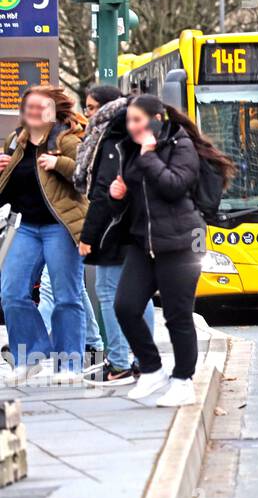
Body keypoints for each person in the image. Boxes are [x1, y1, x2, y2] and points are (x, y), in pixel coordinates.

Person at [111, 95, 234, 407]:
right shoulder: (130, 149)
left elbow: (174, 186)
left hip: (183, 242)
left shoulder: (182, 146)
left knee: (178, 315)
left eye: (138, 120)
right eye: (129, 121)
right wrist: (118, 193)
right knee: (125, 306)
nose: (132, 127)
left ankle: (183, 381)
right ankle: (151, 368)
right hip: (144, 243)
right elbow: (135, 201)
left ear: (157, 118)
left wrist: (149, 156)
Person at [0, 85, 88, 385]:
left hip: (60, 228)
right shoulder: (16, 141)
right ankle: (29, 357)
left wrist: (57, 163)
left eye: (42, 107)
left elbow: (85, 177)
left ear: (54, 111)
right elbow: (9, 190)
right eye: (30, 107)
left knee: (66, 297)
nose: (34, 112)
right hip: (27, 227)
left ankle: (70, 364)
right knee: (11, 292)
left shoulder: (66, 139)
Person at [77, 86, 156, 385]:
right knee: (140, 294)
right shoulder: (133, 133)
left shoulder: (110, 138)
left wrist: (88, 236)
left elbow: (101, 191)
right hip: (137, 226)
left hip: (115, 228)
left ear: (108, 108)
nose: (88, 113)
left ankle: (121, 362)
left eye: (92, 107)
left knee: (109, 291)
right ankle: (143, 360)